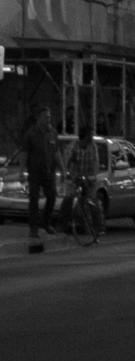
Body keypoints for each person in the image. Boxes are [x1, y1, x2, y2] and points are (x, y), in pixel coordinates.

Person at [21, 103, 60, 251]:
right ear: (39, 118)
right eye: (46, 117)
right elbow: (25, 153)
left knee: (52, 196)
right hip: (35, 172)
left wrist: (62, 168)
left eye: (49, 117)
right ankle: (34, 228)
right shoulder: (30, 134)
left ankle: (46, 221)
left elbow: (56, 152)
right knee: (34, 199)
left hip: (49, 171)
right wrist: (21, 171)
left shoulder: (53, 133)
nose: (49, 119)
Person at [64, 123, 104, 235]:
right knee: (68, 199)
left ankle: (98, 227)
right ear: (84, 137)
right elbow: (66, 162)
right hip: (75, 177)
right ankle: (62, 224)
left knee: (92, 200)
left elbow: (95, 164)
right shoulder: (73, 147)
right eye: (90, 135)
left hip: (88, 178)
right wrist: (69, 174)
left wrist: (91, 177)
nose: (92, 138)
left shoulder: (93, 147)